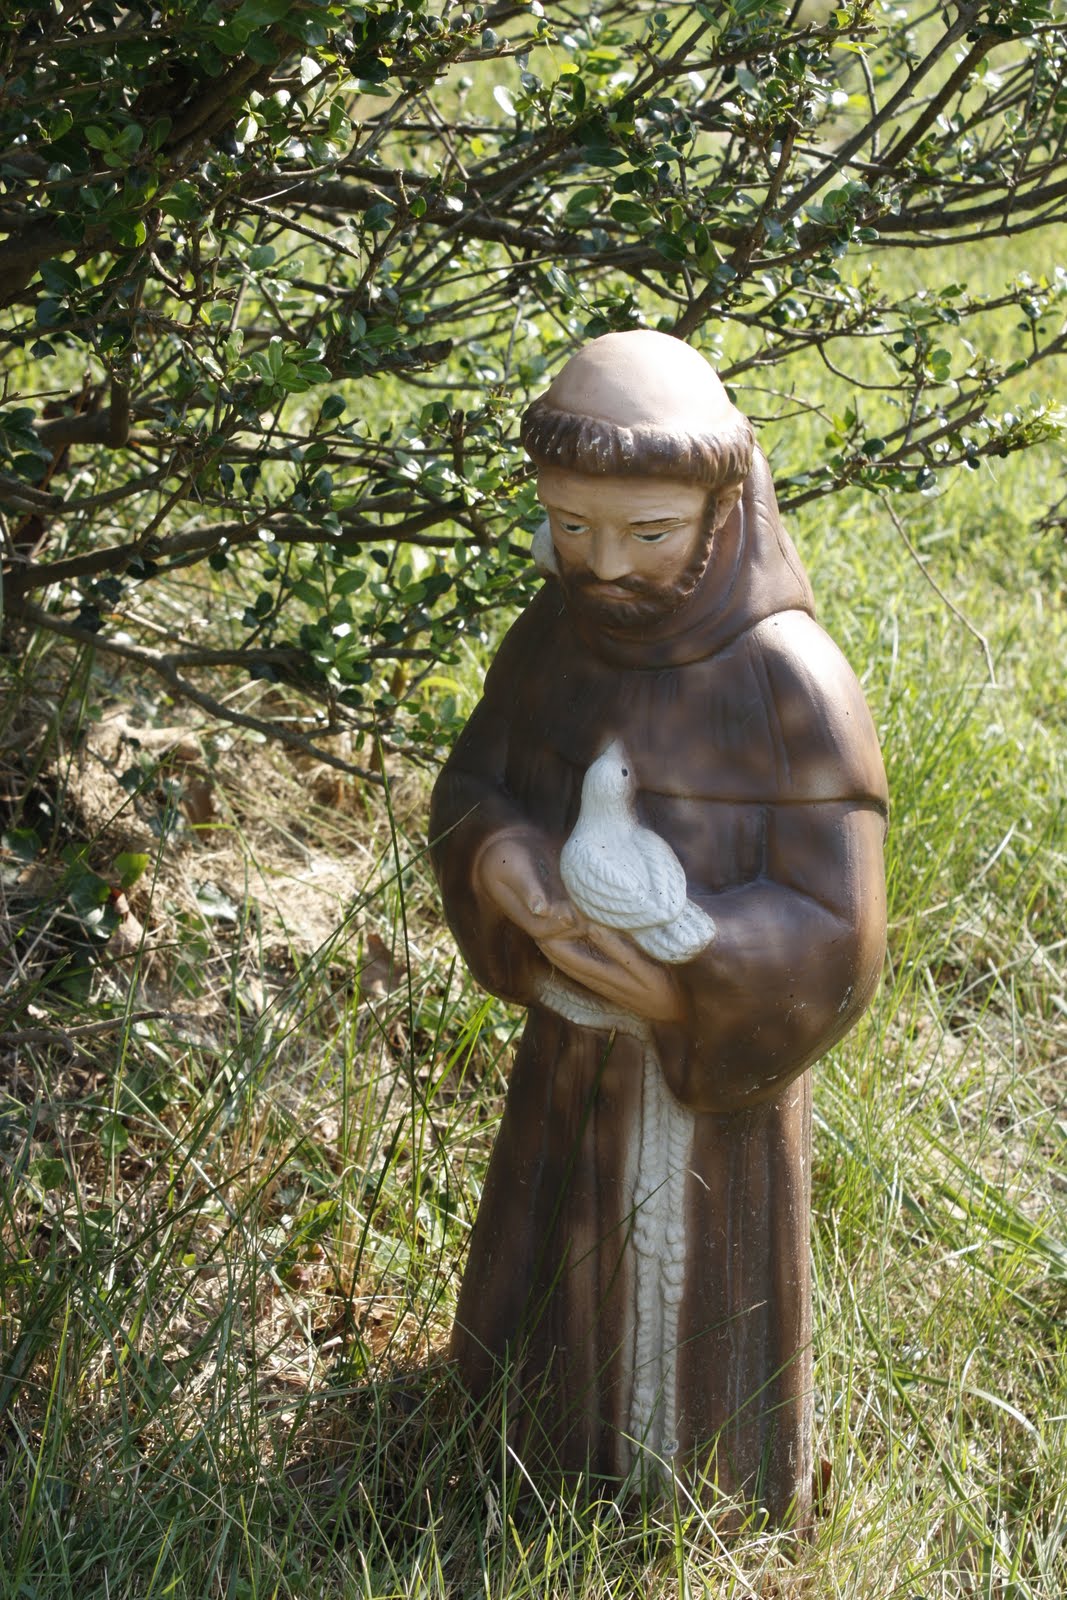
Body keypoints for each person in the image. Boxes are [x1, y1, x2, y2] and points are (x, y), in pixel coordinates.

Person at [430, 330, 887, 1527]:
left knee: (699, 1330)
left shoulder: (787, 681)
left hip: (711, 1100)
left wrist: (692, 976)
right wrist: (502, 859)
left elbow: (841, 926)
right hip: (569, 1052)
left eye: (646, 533)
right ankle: (510, 1464)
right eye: (569, 526)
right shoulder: (548, 642)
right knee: (548, 1282)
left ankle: (710, 1506)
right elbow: (473, 785)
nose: (601, 563)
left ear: (719, 513)